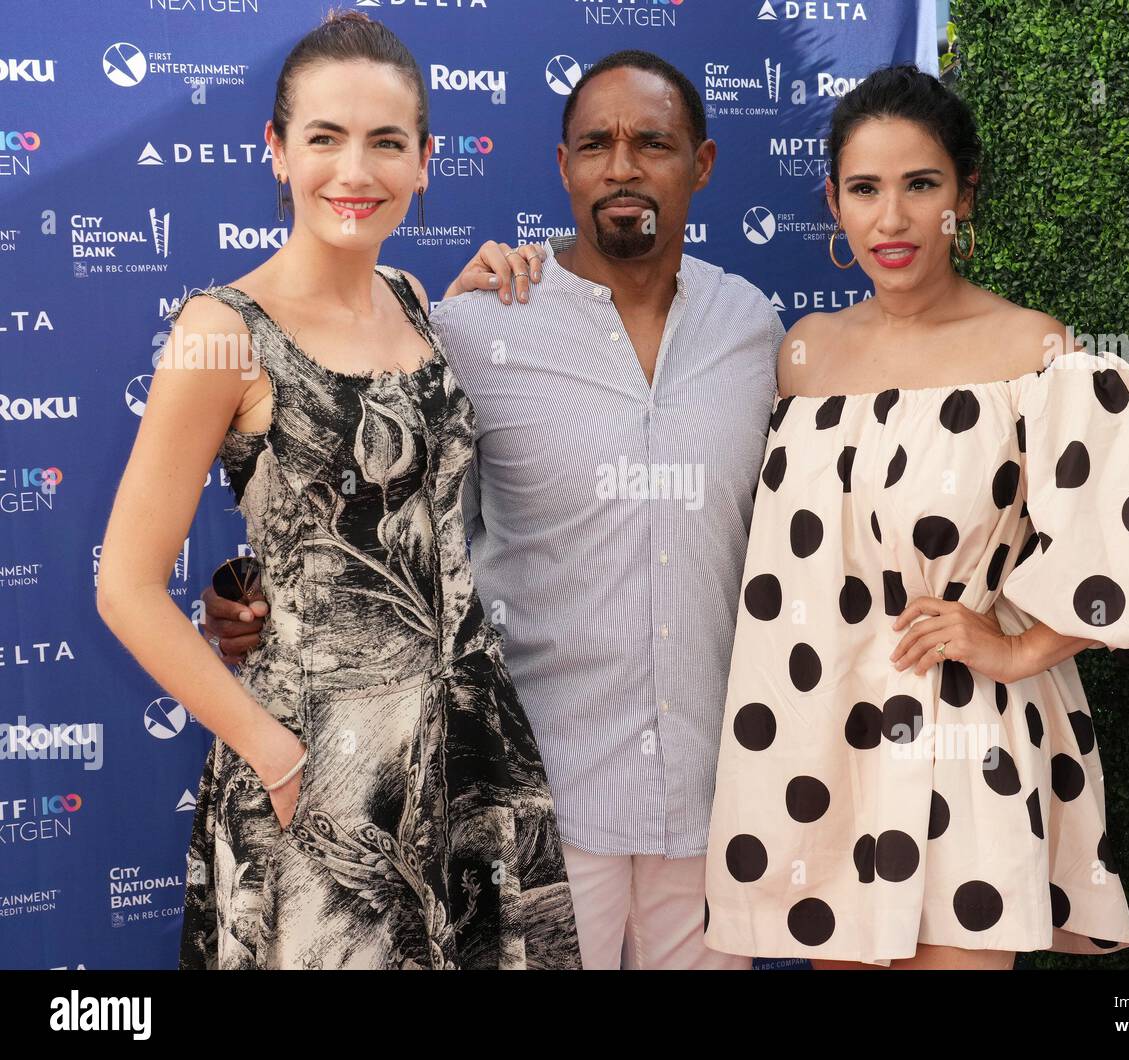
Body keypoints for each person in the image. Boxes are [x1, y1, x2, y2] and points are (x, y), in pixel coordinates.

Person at [203, 49, 782, 970]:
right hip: (531, 798)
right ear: (563, 167)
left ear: (701, 164)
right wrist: (255, 596)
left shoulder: (756, 329)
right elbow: (376, 510)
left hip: (714, 794)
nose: (622, 167)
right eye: (596, 144)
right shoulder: (477, 330)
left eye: (653, 144)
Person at [701, 63, 1129, 969]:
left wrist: (1022, 646)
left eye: (922, 185)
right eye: (866, 189)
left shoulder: (1032, 351)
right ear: (833, 201)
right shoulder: (800, 357)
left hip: (969, 733)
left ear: (965, 195)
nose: (893, 218)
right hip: (820, 737)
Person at [96, 9, 581, 970]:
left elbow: (392, 486)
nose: (354, 172)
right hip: (326, 788)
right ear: (276, 150)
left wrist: (469, 298)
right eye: (324, 138)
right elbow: (124, 585)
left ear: (425, 159)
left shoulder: (410, 296)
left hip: (471, 757)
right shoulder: (221, 328)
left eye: (385, 142)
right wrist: (276, 757)